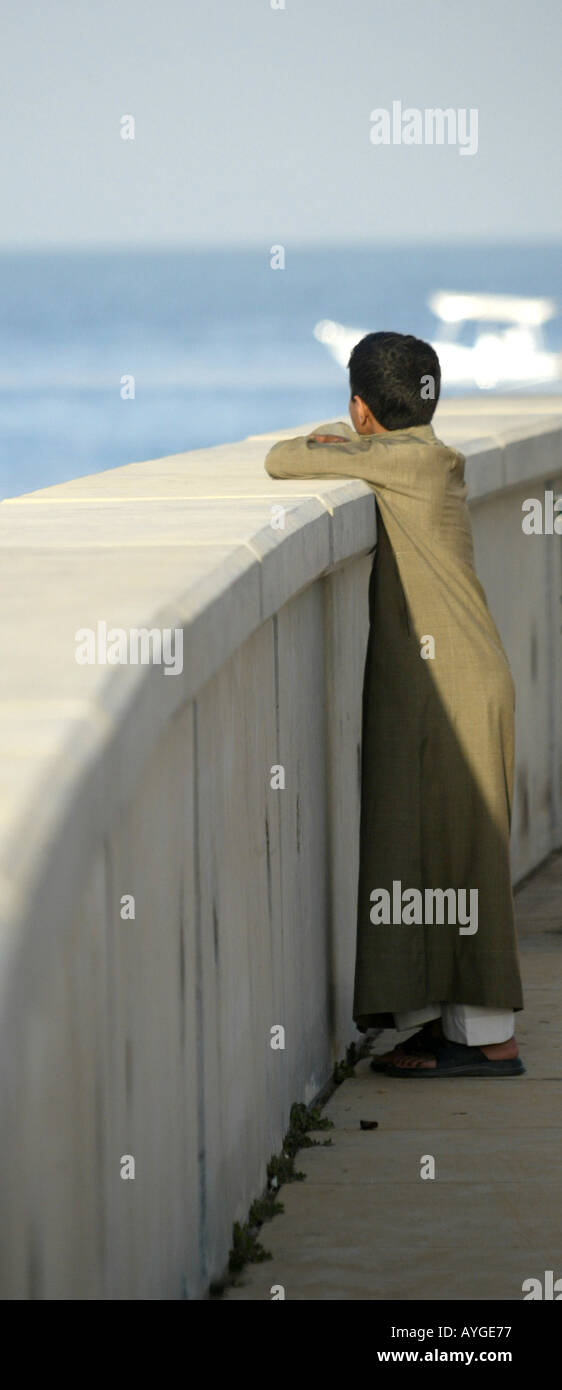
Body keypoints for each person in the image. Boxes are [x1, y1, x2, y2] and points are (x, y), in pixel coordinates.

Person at [263, 332, 524, 1077]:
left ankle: (491, 1040)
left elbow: (285, 458)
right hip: (459, 678)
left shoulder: (402, 460)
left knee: (464, 861)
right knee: (434, 856)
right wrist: (352, 439)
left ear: (361, 407)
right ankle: (450, 1029)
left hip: (457, 686)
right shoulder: (425, 456)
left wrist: (335, 438)